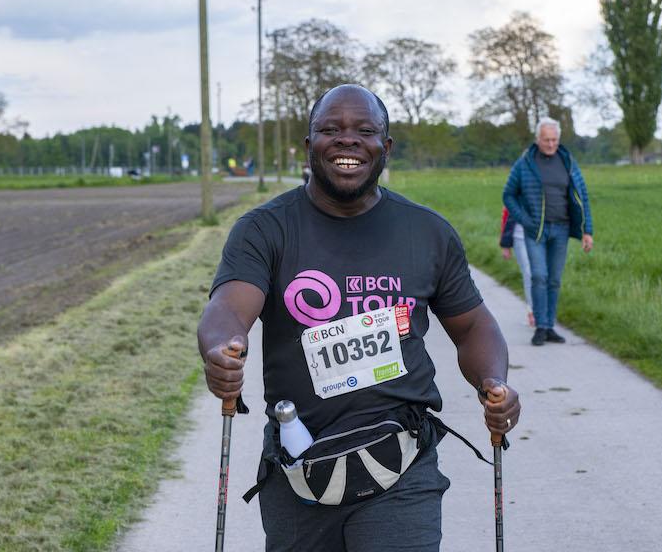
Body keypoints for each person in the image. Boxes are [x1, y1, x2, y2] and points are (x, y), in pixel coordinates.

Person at [198, 84, 521, 551]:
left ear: (384, 148)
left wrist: (495, 382)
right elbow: (228, 306)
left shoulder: (426, 233)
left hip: (402, 468)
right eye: (330, 130)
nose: (347, 140)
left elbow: (473, 325)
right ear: (310, 147)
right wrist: (220, 349)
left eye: (364, 131)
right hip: (298, 469)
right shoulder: (265, 229)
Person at [503, 117, 594, 347]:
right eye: (546, 140)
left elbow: (582, 197)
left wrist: (587, 231)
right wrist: (524, 220)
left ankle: (550, 326)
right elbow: (508, 195)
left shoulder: (568, 162)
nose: (551, 144)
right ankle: (540, 327)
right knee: (539, 276)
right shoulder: (525, 163)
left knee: (554, 280)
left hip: (561, 229)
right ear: (538, 139)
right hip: (536, 231)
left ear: (559, 139)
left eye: (554, 140)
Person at [498, 207, 534, 327]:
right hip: (519, 237)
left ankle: (543, 312)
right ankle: (532, 312)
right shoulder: (515, 189)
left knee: (541, 275)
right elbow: (507, 212)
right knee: (528, 273)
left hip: (539, 237)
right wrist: (505, 244)